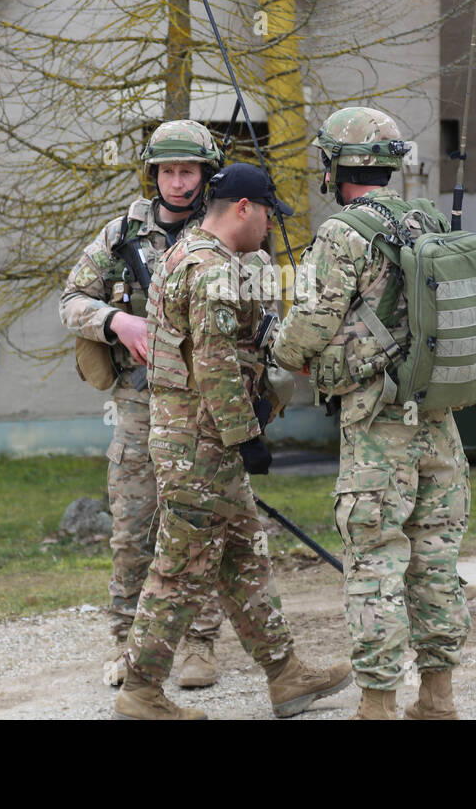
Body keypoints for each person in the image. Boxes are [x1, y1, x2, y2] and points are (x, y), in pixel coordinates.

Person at [115, 163, 354, 720]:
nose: (271, 225)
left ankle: (286, 675)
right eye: (268, 212)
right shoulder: (214, 271)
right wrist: (247, 438)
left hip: (195, 441)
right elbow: (216, 366)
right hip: (203, 447)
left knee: (244, 556)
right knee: (179, 568)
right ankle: (142, 690)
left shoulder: (189, 254)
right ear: (243, 208)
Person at [270, 107, 472, 720]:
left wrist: (280, 350)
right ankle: (438, 698)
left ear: (335, 165)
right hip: (439, 419)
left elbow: (308, 329)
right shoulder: (430, 218)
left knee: (375, 560)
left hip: (378, 426)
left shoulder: (342, 234)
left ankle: (378, 705)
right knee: (435, 557)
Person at [59, 120, 226, 687]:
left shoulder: (223, 229)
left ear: (206, 174)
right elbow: (71, 300)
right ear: (153, 175)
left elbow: (258, 305)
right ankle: (127, 644)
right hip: (138, 402)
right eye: (168, 171)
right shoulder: (122, 234)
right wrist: (116, 320)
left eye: (189, 171)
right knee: (133, 525)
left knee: (199, 524)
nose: (178, 183)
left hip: (204, 404)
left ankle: (199, 644)